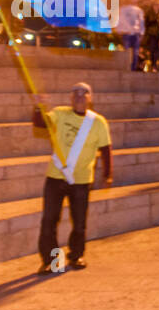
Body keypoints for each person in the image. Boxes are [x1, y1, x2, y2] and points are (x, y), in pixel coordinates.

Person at [32, 83, 113, 274]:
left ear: (90, 98)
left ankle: (77, 255)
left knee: (79, 222)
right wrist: (38, 107)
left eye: (84, 94)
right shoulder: (60, 114)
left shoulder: (98, 122)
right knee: (50, 221)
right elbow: (40, 123)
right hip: (55, 177)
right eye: (75, 93)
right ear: (70, 97)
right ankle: (52, 261)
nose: (79, 96)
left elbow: (106, 149)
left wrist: (108, 174)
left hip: (82, 180)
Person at [117, 0, 145, 71]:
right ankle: (129, 68)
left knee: (134, 52)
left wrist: (141, 33)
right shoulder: (124, 9)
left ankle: (132, 68)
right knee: (129, 52)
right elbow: (121, 20)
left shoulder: (138, 10)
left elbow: (141, 22)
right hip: (128, 34)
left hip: (134, 34)